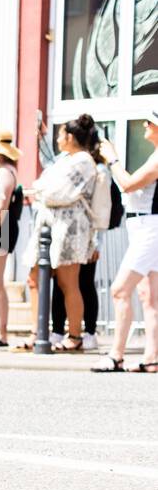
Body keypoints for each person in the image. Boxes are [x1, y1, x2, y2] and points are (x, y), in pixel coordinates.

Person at [23, 114, 104, 352]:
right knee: (34, 278)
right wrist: (42, 189)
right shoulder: (65, 159)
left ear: (70, 136)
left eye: (60, 134)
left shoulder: (83, 161)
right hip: (48, 224)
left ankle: (75, 335)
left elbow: (57, 192)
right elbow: (44, 182)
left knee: (68, 282)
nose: (58, 138)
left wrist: (40, 190)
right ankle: (37, 331)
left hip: (70, 227)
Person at [92, 110, 158, 373]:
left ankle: (116, 354)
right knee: (148, 296)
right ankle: (152, 356)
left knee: (120, 290)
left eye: (151, 122)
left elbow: (128, 184)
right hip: (144, 226)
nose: (145, 124)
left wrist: (113, 158)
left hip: (148, 227)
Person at [0, 130, 23, 349]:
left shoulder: (4, 173)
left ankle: (0, 332)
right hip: (6, 226)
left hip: (2, 227)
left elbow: (0, 207)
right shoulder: (9, 171)